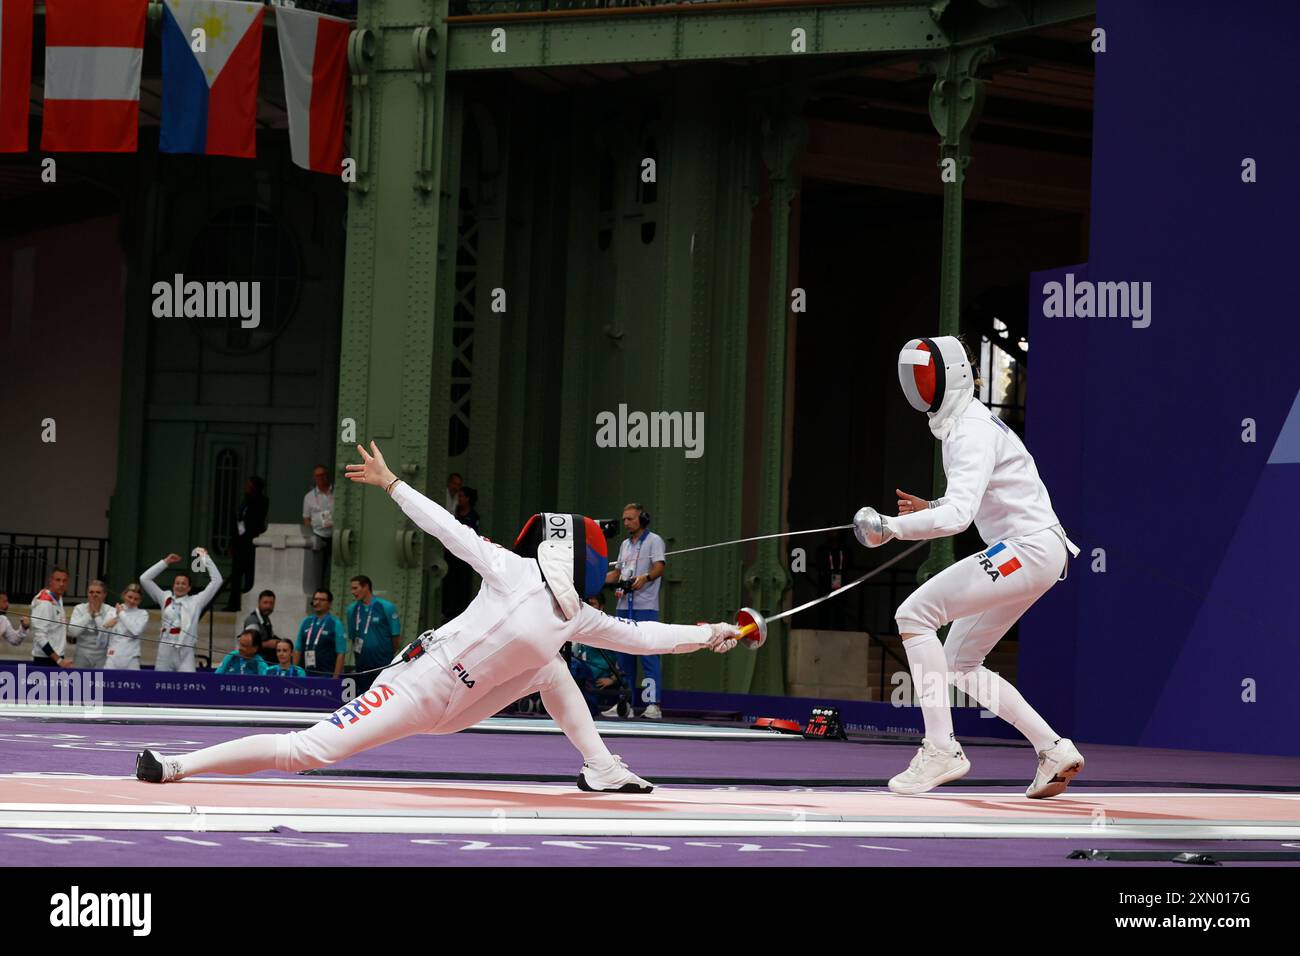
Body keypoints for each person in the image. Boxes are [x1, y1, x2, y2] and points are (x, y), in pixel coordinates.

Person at [136, 441, 741, 792]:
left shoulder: (576, 616)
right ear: (583, 563)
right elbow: (449, 528)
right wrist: (392, 482)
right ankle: (178, 765)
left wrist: (717, 633)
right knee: (308, 751)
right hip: (419, 685)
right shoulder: (509, 568)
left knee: (551, 670)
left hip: (463, 705)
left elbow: (646, 637)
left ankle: (602, 769)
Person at [853, 335, 1084, 799]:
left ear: (950, 377)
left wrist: (892, 527)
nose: (917, 388)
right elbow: (973, 499)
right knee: (960, 662)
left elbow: (958, 517)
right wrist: (929, 505)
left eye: (924, 378)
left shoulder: (970, 430)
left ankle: (940, 748)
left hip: (1025, 549)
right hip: (1034, 551)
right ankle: (1053, 749)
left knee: (914, 615)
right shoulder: (966, 424)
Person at [602, 502, 667, 719]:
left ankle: (653, 705)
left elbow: (659, 566)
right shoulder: (624, 545)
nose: (627, 523)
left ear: (642, 519)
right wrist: (596, 578)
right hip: (623, 606)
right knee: (624, 657)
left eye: (631, 518)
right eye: (625, 519)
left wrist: (645, 578)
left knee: (648, 654)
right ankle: (625, 704)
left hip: (645, 606)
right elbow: (618, 573)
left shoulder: (654, 540)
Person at [141, 549, 224, 673]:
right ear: (173, 585)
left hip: (186, 652)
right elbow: (144, 579)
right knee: (161, 685)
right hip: (165, 650)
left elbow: (217, 581)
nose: (180, 586)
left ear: (189, 587)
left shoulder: (196, 601)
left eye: (184, 584)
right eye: (177, 583)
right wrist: (165, 562)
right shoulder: (165, 597)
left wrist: (205, 559)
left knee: (187, 686)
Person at [345, 574, 400, 695]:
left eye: (355, 588)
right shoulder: (351, 610)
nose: (352, 592)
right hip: (362, 662)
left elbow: (395, 636)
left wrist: (387, 654)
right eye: (351, 588)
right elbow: (353, 637)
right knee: (364, 695)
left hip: (382, 662)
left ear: (366, 587)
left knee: (381, 694)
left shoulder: (386, 607)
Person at [224, 476, 269, 611]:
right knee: (236, 575)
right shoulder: (244, 501)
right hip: (239, 543)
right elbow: (238, 520)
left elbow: (256, 520)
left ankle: (247, 603)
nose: (246, 487)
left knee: (250, 574)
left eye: (249, 485)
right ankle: (233, 604)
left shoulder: (262, 501)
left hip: (251, 543)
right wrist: (233, 542)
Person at [441, 485, 481, 620]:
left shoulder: (473, 516)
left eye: (461, 496)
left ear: (468, 499)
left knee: (462, 584)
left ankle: (461, 612)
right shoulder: (454, 513)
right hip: (451, 554)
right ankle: (447, 611)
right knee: (449, 583)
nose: (459, 499)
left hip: (464, 556)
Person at [295, 589, 347, 679]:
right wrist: (294, 673)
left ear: (329, 604)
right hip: (304, 675)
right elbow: (297, 649)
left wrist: (335, 678)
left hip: (326, 675)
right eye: (315, 599)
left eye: (322, 600)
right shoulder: (306, 621)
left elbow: (341, 653)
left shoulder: (335, 623)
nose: (317, 602)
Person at [29, 567, 73, 669]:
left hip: (55, 658)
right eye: (58, 580)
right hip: (45, 660)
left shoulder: (58, 598)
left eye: (64, 580)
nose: (61, 584)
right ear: (50, 581)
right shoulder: (44, 602)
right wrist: (59, 660)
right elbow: (39, 636)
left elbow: (55, 628)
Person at [102, 583, 148, 670]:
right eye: (129, 597)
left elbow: (135, 631)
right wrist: (104, 627)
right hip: (113, 657)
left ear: (140, 600)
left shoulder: (142, 614)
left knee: (133, 683)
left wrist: (121, 613)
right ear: (123, 595)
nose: (132, 601)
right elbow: (101, 642)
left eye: (136, 599)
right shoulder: (111, 612)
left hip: (132, 659)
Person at [302, 464, 334, 594]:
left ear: (327, 475)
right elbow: (306, 518)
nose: (320, 478)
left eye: (323, 475)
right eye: (317, 476)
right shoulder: (309, 496)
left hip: (336, 535)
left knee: (334, 568)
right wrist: (311, 536)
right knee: (318, 570)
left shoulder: (337, 492)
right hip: (318, 535)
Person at [68, 580, 113, 669]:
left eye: (98, 592)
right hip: (81, 654)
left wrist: (96, 614)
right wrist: (88, 615)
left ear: (104, 595)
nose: (94, 595)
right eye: (91, 592)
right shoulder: (79, 608)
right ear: (87, 594)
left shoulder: (110, 610)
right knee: (81, 682)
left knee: (99, 682)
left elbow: (105, 634)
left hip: (102, 656)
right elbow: (73, 632)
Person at [244, 590, 278, 665]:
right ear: (259, 602)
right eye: (265, 602)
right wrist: (268, 644)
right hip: (255, 663)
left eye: (271, 603)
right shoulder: (252, 621)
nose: (268, 606)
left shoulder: (266, 619)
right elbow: (248, 644)